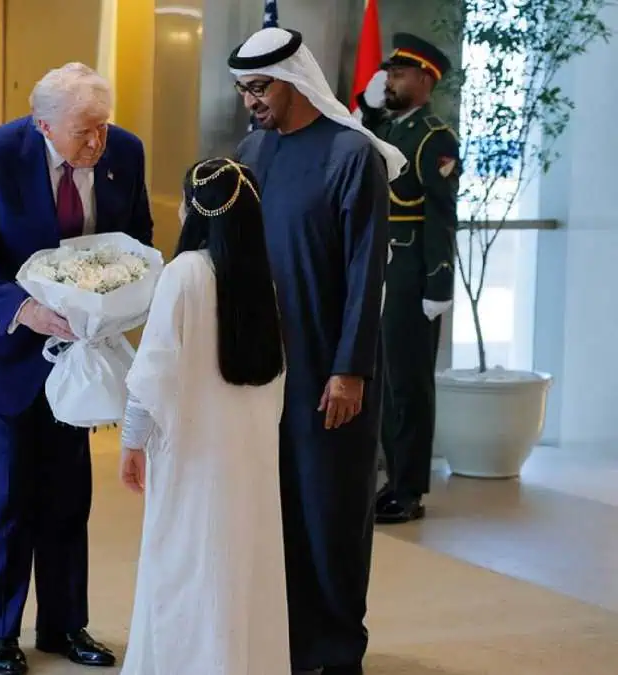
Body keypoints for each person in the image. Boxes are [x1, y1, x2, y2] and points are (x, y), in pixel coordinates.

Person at [0, 62, 154, 675]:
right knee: (1, 492)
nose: (97, 143)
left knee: (66, 492)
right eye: (83, 132)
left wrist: (119, 299)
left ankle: (65, 625)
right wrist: (22, 308)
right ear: (42, 126)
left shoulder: (125, 153)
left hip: (81, 350)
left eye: (103, 127)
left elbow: (134, 236)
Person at [227, 27, 403, 675]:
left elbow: (366, 274)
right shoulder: (252, 150)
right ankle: (289, 641)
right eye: (244, 88)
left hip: (332, 367)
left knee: (331, 509)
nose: (251, 101)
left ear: (295, 80)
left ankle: (337, 650)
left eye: (260, 86)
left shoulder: (351, 154)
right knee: (275, 508)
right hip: (262, 368)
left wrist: (350, 368)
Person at [117, 157, 290, 674]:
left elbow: (153, 371)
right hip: (250, 452)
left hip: (192, 455)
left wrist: (131, 441)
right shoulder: (262, 282)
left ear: (197, 209)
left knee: (185, 564)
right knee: (242, 564)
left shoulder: (185, 273)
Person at [356, 33, 461, 525]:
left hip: (411, 274)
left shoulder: (433, 137)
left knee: (408, 383)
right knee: (381, 376)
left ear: (425, 79)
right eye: (389, 73)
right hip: (382, 269)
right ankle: (391, 479)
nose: (390, 81)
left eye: (399, 74)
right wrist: (367, 105)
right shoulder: (393, 128)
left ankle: (408, 487)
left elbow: (440, 215)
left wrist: (438, 284)